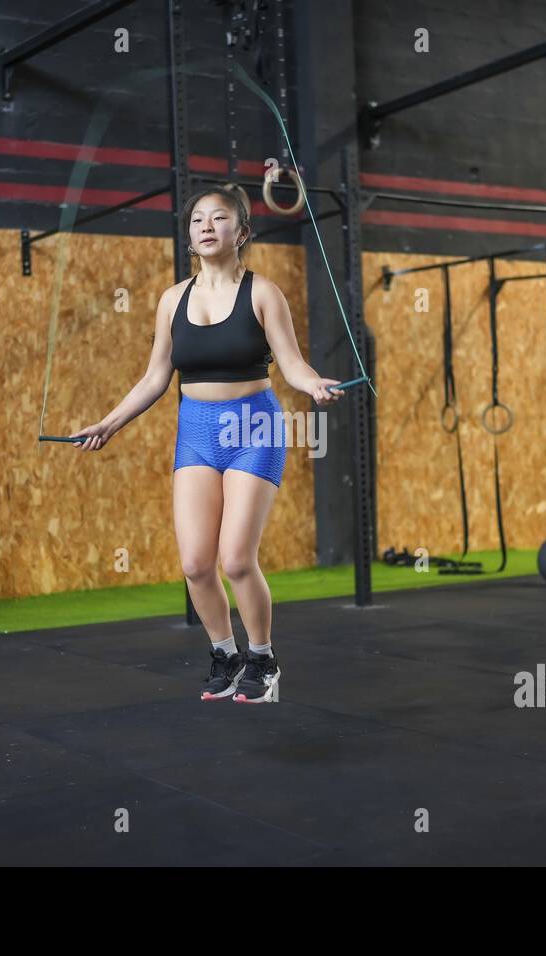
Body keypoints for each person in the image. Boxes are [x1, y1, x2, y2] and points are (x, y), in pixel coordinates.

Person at [70, 183, 343, 703]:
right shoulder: (172, 299)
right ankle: (225, 651)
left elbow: (291, 362)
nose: (207, 227)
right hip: (196, 428)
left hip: (252, 426)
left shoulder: (263, 292)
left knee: (236, 559)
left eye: (219, 219)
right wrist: (108, 423)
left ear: (241, 232)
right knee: (196, 564)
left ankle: (263, 657)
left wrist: (312, 385)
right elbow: (155, 379)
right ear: (191, 236)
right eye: (198, 220)